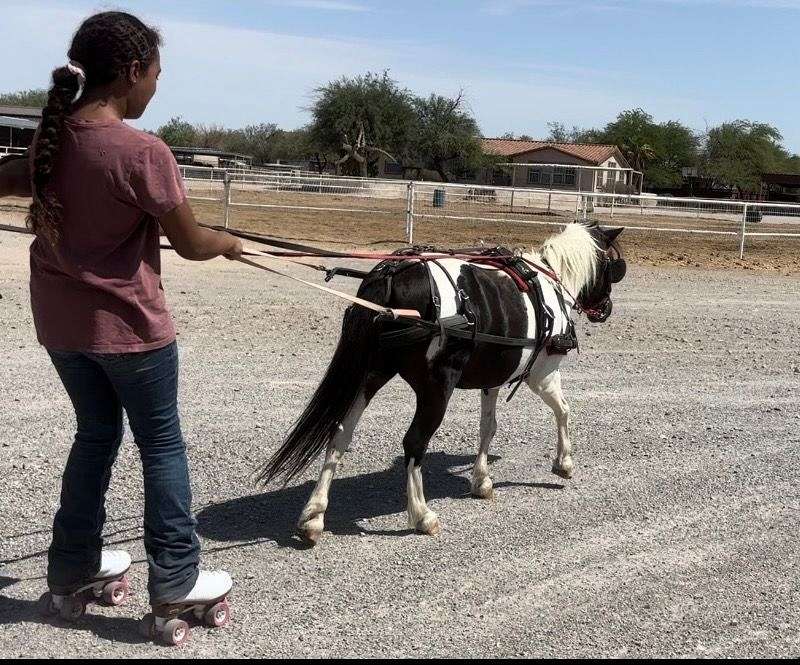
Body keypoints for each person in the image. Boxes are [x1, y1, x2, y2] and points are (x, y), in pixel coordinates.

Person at [0, 11, 241, 642]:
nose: (156, 88)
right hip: (132, 331)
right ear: (132, 72)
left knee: (95, 436)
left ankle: (74, 564)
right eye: (156, 75)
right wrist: (227, 242)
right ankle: (177, 579)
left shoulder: (49, 142)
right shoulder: (143, 151)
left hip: (62, 329)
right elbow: (190, 243)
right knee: (161, 445)